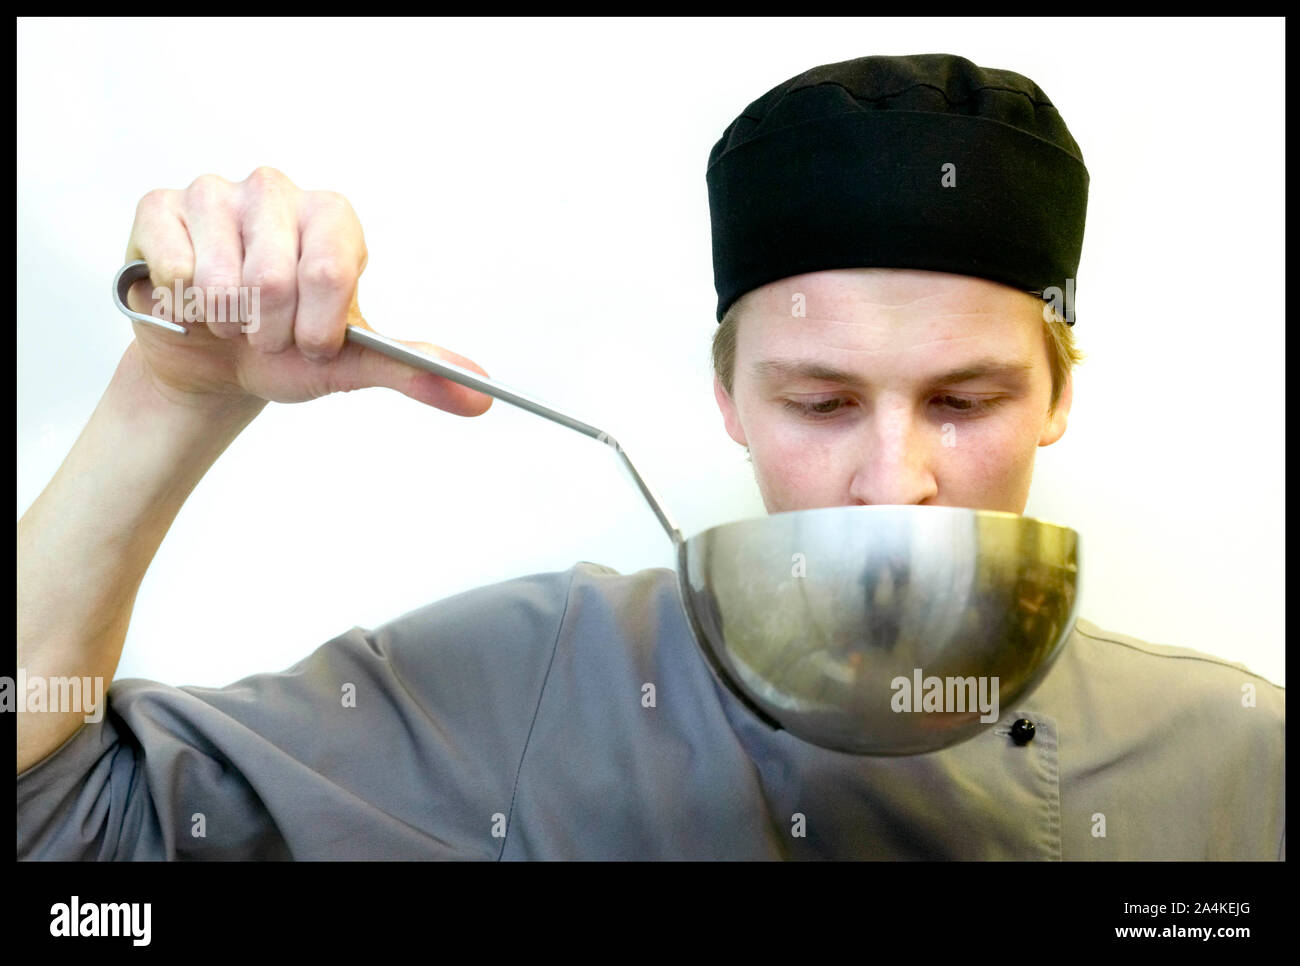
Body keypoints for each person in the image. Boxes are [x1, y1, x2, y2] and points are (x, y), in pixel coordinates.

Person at [16, 53, 1283, 860]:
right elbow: (60, 842)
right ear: (728, 397)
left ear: (1057, 394)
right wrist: (168, 395)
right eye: (823, 402)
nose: (894, 482)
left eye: (964, 400)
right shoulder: (532, 690)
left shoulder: (1237, 760)